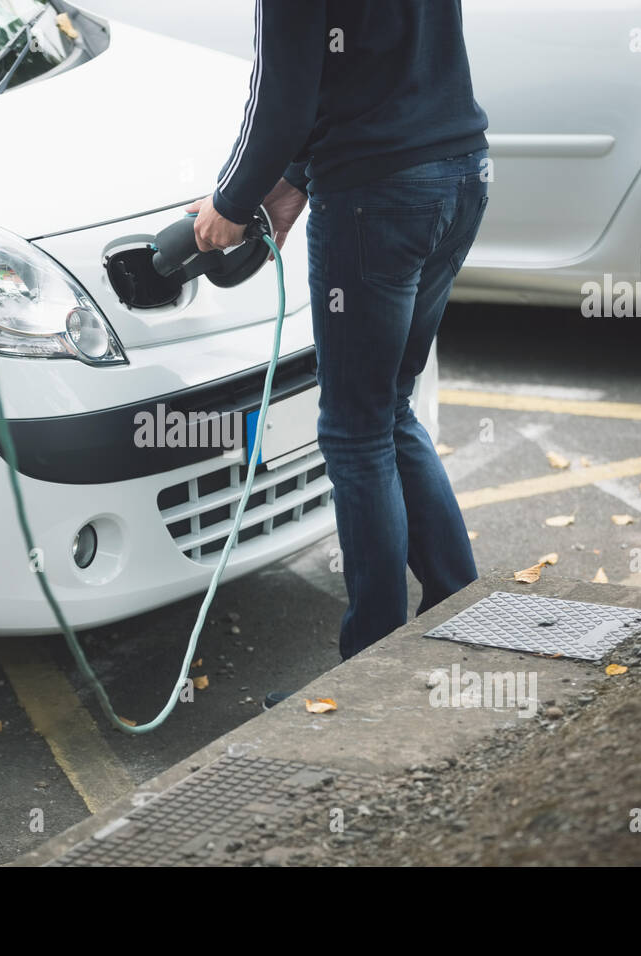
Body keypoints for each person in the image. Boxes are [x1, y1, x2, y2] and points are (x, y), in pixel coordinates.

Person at [191, 0, 489, 661]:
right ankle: (462, 608)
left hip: (375, 195)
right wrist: (297, 177)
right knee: (388, 408)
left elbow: (283, 92)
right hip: (459, 168)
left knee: (355, 430)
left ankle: (370, 662)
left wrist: (231, 204)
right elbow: (368, 54)